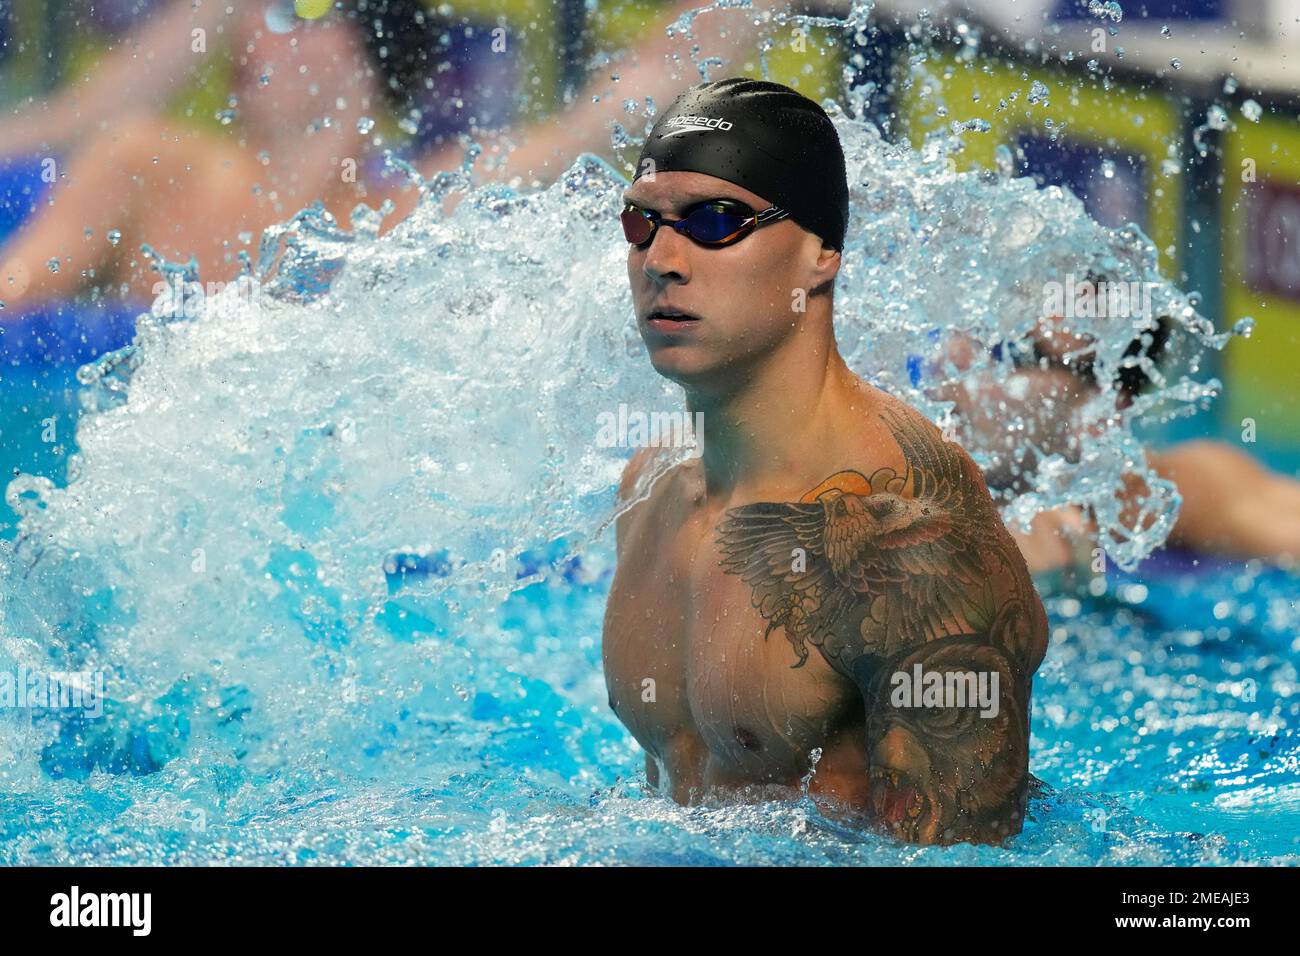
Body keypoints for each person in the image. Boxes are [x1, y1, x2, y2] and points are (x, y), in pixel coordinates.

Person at [601, 77, 1049, 846]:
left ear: (820, 254)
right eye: (644, 222)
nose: (663, 259)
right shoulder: (649, 490)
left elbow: (966, 861)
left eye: (716, 221)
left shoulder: (915, 537)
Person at [0, 1, 433, 313]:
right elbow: (14, 291)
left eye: (290, 12)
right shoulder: (146, 167)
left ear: (375, 51)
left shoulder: (410, 226)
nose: (250, 32)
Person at [934, 300, 1300, 574]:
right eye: (977, 332)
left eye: (1013, 352)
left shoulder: (1163, 492)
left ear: (1102, 412)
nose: (958, 359)